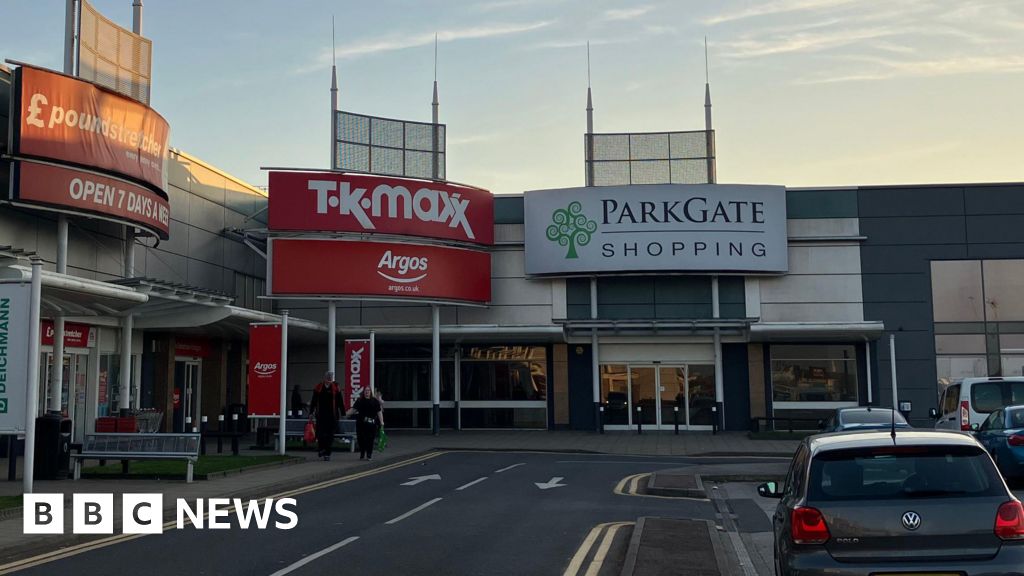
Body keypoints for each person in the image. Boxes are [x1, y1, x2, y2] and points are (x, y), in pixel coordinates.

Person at [308, 371, 342, 461]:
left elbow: (340, 401)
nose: (329, 381)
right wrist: (311, 412)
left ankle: (327, 453)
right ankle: (321, 448)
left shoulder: (335, 388)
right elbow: (314, 401)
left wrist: (342, 412)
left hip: (332, 415)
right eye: (328, 379)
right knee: (320, 434)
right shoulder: (319, 387)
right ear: (325, 379)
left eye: (330, 379)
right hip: (321, 415)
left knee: (330, 435)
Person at [346, 387, 383, 460]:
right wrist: (346, 413)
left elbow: (379, 412)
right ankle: (362, 452)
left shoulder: (374, 401)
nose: (367, 392)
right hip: (361, 423)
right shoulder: (360, 401)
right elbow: (353, 410)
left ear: (370, 392)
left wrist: (382, 421)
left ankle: (369, 454)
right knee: (361, 439)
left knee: (370, 439)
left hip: (371, 424)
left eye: (368, 390)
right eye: (366, 390)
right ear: (363, 392)